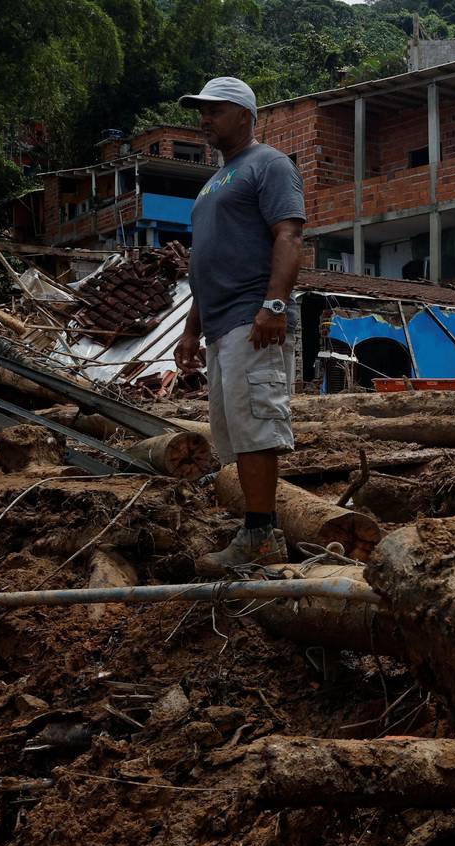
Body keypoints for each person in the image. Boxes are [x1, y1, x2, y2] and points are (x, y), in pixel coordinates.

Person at [172, 76, 305, 572]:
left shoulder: (268, 165)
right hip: (220, 323)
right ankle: (255, 530)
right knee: (234, 432)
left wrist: (273, 306)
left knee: (258, 426)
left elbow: (288, 234)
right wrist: (189, 329)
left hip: (254, 318)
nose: (204, 118)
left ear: (245, 114)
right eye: (200, 110)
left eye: (215, 110)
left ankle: (261, 537)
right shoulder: (212, 184)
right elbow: (205, 264)